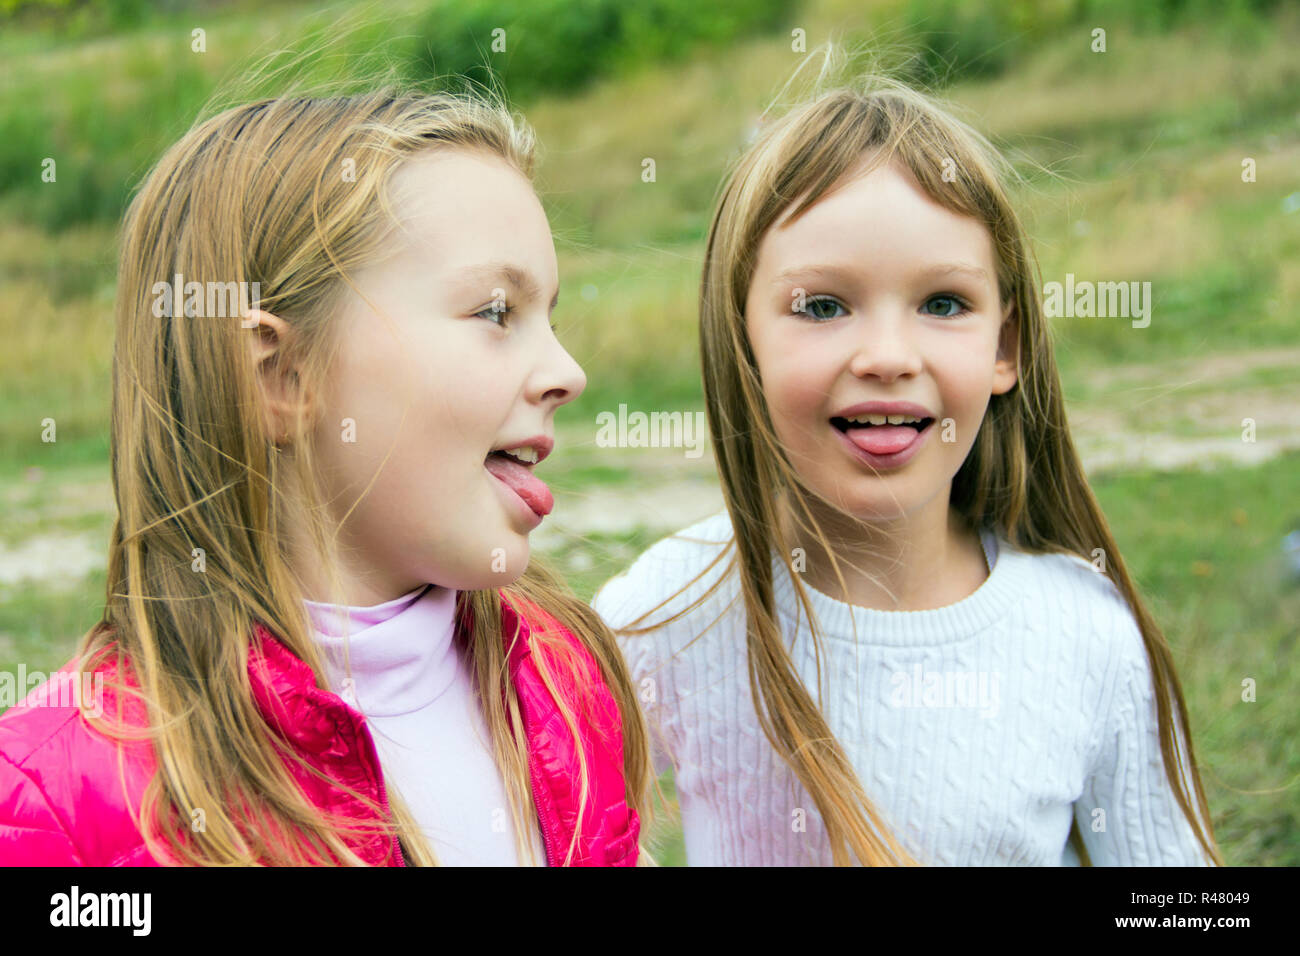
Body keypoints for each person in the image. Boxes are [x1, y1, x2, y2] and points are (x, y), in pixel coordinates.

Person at [0, 85, 651, 866]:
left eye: (553, 316)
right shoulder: (59, 796)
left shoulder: (563, 672)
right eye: (494, 311)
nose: (568, 372)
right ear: (282, 377)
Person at [593, 75, 1221, 866]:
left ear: (1005, 348)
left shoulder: (1083, 637)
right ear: (741, 336)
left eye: (944, 303)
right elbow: (552, 825)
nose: (888, 357)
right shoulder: (665, 610)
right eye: (822, 306)